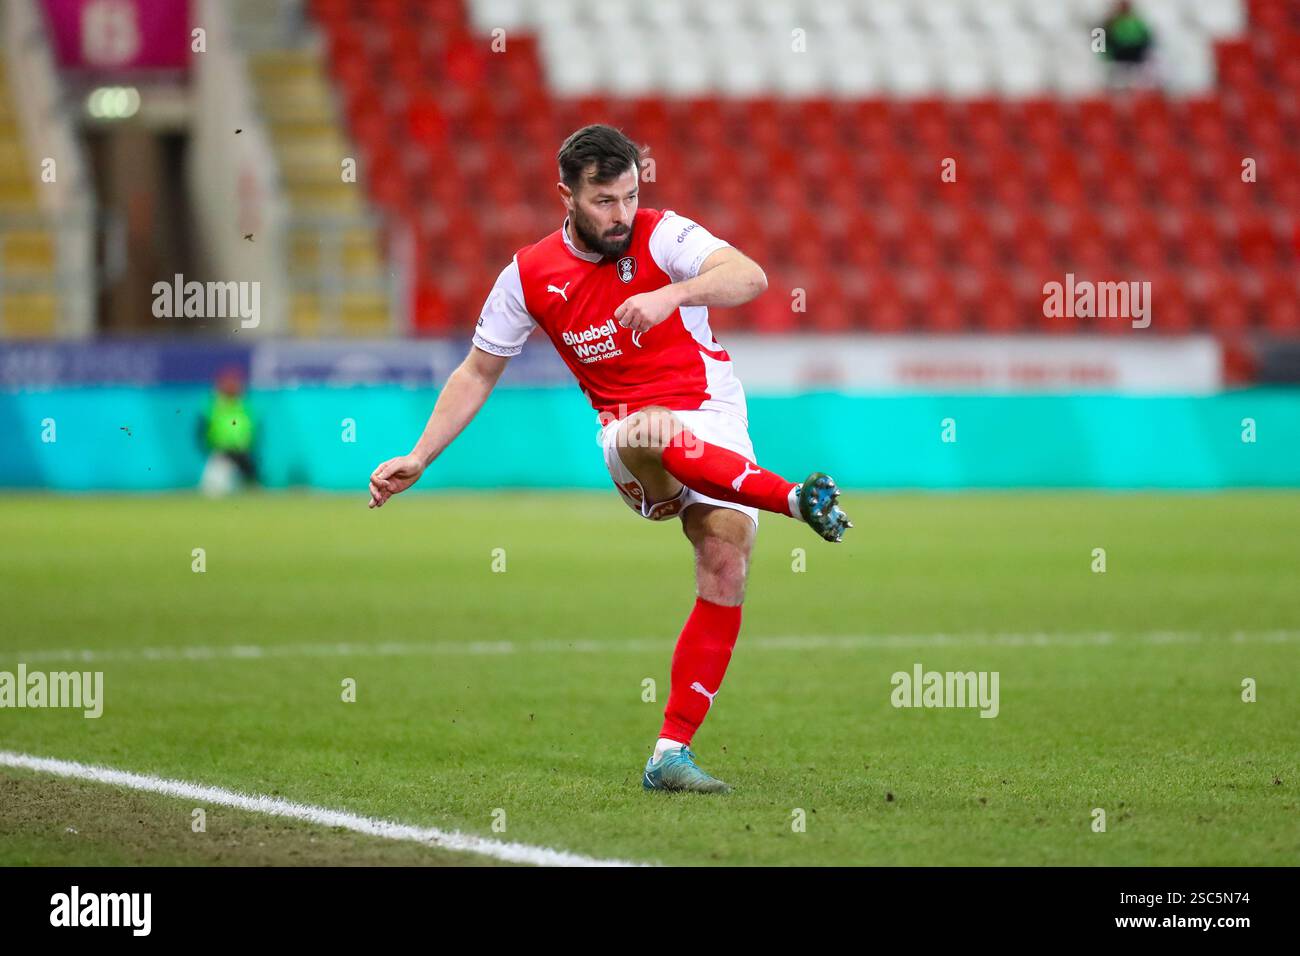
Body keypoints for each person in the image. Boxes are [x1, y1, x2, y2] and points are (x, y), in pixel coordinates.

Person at [368, 125, 851, 794]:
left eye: (629, 196)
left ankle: (669, 755)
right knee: (646, 430)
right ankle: (796, 498)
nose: (621, 215)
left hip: (715, 417)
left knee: (726, 562)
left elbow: (750, 275)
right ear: (564, 194)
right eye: (603, 201)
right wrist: (421, 454)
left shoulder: (663, 235)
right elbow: (478, 371)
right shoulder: (529, 275)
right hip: (630, 437)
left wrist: (672, 294)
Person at [198, 366, 257, 496]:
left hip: (243, 454)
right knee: (214, 492)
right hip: (221, 455)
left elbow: (252, 430)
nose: (232, 386)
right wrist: (207, 449)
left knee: (251, 491)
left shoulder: (244, 406)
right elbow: (200, 432)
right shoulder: (213, 406)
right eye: (227, 383)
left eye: (235, 383)